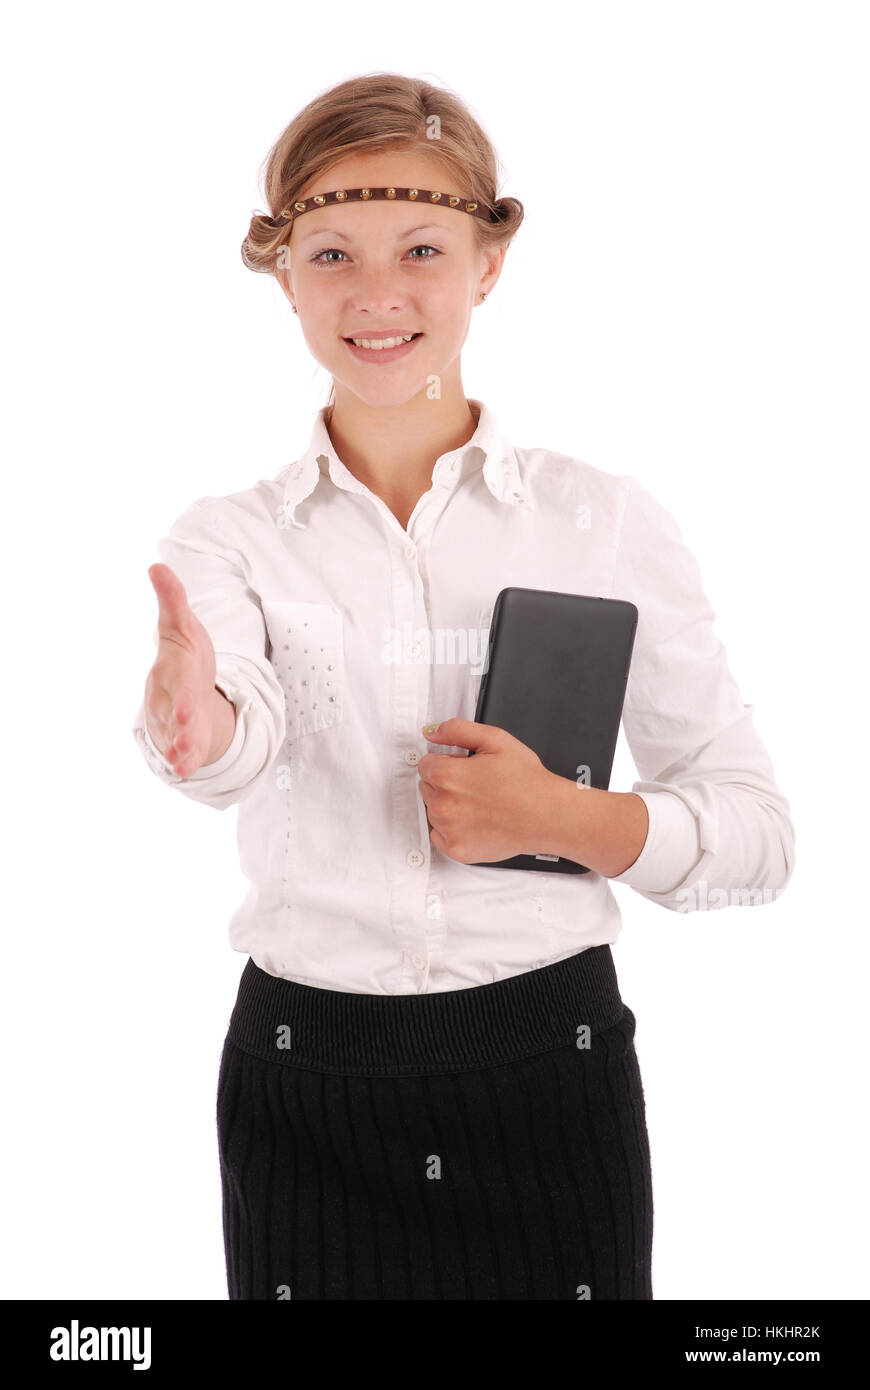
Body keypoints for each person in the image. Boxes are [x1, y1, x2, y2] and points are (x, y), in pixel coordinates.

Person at [132, 72, 795, 1301]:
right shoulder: (227, 538)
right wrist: (197, 718)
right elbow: (233, 747)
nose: (377, 294)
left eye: (423, 248)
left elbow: (759, 833)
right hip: (303, 1080)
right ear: (283, 274)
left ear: (489, 265)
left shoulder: (604, 520)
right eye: (331, 251)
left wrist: (571, 822)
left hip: (551, 1070)